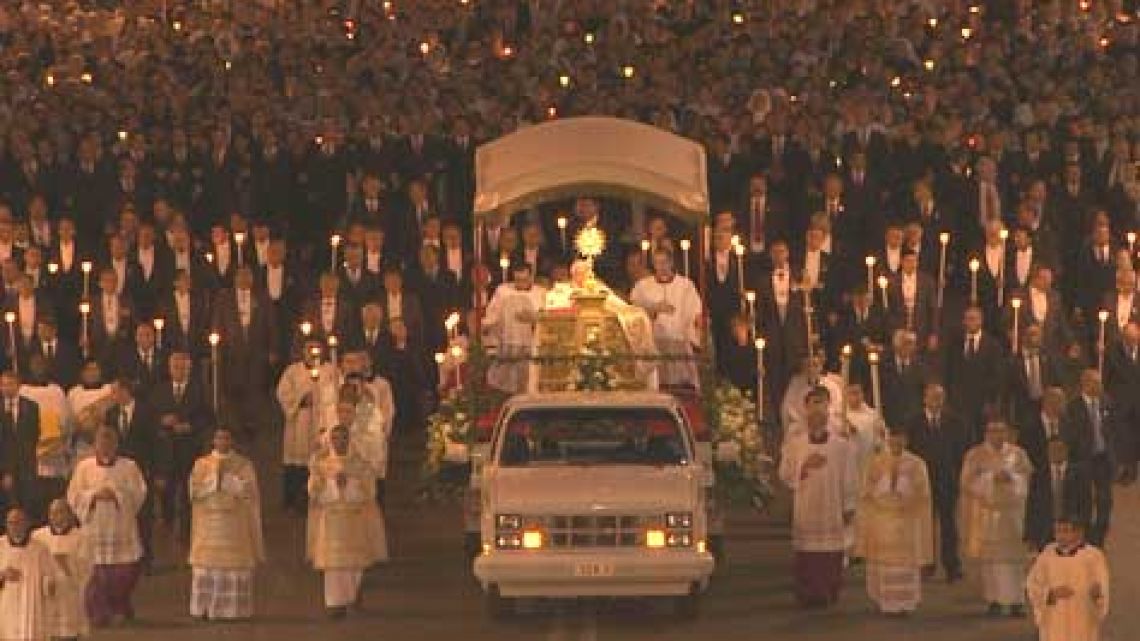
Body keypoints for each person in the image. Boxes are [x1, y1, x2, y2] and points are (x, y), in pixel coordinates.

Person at [778, 386, 857, 607]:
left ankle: (828, 590)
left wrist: (849, 506)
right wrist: (803, 468)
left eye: (821, 405)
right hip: (807, 506)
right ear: (805, 410)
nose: (817, 411)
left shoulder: (841, 446)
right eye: (812, 405)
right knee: (807, 553)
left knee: (831, 553)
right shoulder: (796, 443)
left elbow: (849, 477)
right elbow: (784, 474)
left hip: (832, 506)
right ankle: (807, 592)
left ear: (827, 410)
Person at [66, 427, 147, 627]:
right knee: (94, 572)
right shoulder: (84, 467)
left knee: (123, 572)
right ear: (94, 445)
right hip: (95, 525)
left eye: (110, 443)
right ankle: (97, 612)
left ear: (116, 445)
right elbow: (73, 495)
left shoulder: (129, 466)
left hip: (120, 526)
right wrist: (93, 495)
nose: (105, 447)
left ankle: (119, 606)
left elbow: (139, 493)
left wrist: (117, 495)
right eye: (101, 443)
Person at [307, 424, 388, 618]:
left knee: (354, 564)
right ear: (331, 440)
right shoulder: (321, 464)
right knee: (333, 565)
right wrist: (333, 487)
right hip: (331, 519)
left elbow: (370, 492)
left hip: (354, 518)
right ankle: (335, 603)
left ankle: (352, 598)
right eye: (336, 438)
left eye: (343, 438)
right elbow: (313, 491)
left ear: (349, 439)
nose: (340, 441)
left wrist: (349, 486)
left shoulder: (360, 464)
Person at [187, 428, 264, 621]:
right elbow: (194, 491)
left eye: (227, 437)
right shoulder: (201, 463)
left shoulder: (243, 464)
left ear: (232, 441)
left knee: (232, 566)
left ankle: (232, 610)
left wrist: (228, 481)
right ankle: (204, 608)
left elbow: (250, 491)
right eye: (219, 437)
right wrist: (214, 481)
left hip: (234, 523)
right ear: (213, 440)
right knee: (208, 564)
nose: (222, 441)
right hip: (209, 523)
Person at [959, 420, 1034, 617]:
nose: (997, 435)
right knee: (991, 560)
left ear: (1008, 433)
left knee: (1014, 560)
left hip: (1012, 514)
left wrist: (1012, 478)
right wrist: (990, 479)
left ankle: (1017, 600)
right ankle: (995, 600)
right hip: (988, 514)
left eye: (1001, 431)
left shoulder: (1018, 454)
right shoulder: (975, 455)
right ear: (986, 433)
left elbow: (1027, 477)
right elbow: (966, 482)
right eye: (993, 431)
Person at [855, 429, 933, 616]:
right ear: (888, 438)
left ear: (906, 440)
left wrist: (903, 488)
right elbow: (866, 492)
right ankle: (886, 601)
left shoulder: (916, 464)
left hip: (906, 520)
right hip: (883, 520)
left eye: (900, 438)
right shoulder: (875, 462)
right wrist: (884, 488)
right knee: (885, 564)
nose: (896, 442)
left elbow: (923, 494)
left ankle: (906, 602)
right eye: (893, 438)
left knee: (904, 564)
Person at [276, 340, 337, 513]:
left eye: (316, 349)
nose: (313, 353)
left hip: (322, 421)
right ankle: (294, 502)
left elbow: (335, 392)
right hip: (300, 421)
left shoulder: (331, 371)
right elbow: (283, 393)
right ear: (303, 352)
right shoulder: (293, 371)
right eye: (309, 349)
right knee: (297, 461)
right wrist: (300, 400)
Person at [1026, 516, 1110, 641]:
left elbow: (1102, 585)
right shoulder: (1046, 555)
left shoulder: (1093, 556)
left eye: (1065, 531)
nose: (1060, 536)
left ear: (1078, 533)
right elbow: (1033, 585)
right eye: (1057, 531)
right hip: (1055, 621)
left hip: (1082, 618)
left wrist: (1097, 594)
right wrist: (1050, 594)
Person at [630, 249, 703, 388]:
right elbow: (635, 311)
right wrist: (653, 309)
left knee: (680, 385)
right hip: (653, 343)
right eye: (657, 263)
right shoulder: (643, 286)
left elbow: (695, 312)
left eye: (664, 262)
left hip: (678, 343)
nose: (661, 267)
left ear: (671, 263)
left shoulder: (685, 285)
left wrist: (696, 325)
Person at [32, 499, 93, 641]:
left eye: (61, 512)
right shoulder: (38, 536)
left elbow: (87, 568)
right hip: (45, 593)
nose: (56, 516)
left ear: (70, 515)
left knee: (67, 632)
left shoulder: (82, 537)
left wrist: (67, 564)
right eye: (53, 512)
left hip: (69, 594)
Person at [482, 261, 547, 393]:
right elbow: (492, 315)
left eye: (524, 280)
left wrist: (533, 317)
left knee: (527, 382)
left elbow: (546, 315)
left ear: (531, 277)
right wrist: (486, 326)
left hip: (531, 344)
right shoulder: (503, 291)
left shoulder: (541, 293)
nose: (520, 283)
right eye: (517, 280)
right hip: (507, 343)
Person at [0, 507, 59, 641]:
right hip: (6, 606)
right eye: (11, 522)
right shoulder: (0, 545)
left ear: (27, 524)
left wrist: (48, 584)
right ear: (6, 525)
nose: (15, 526)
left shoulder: (40, 549)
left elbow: (50, 575)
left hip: (31, 604)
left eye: (19, 522)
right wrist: (3, 574)